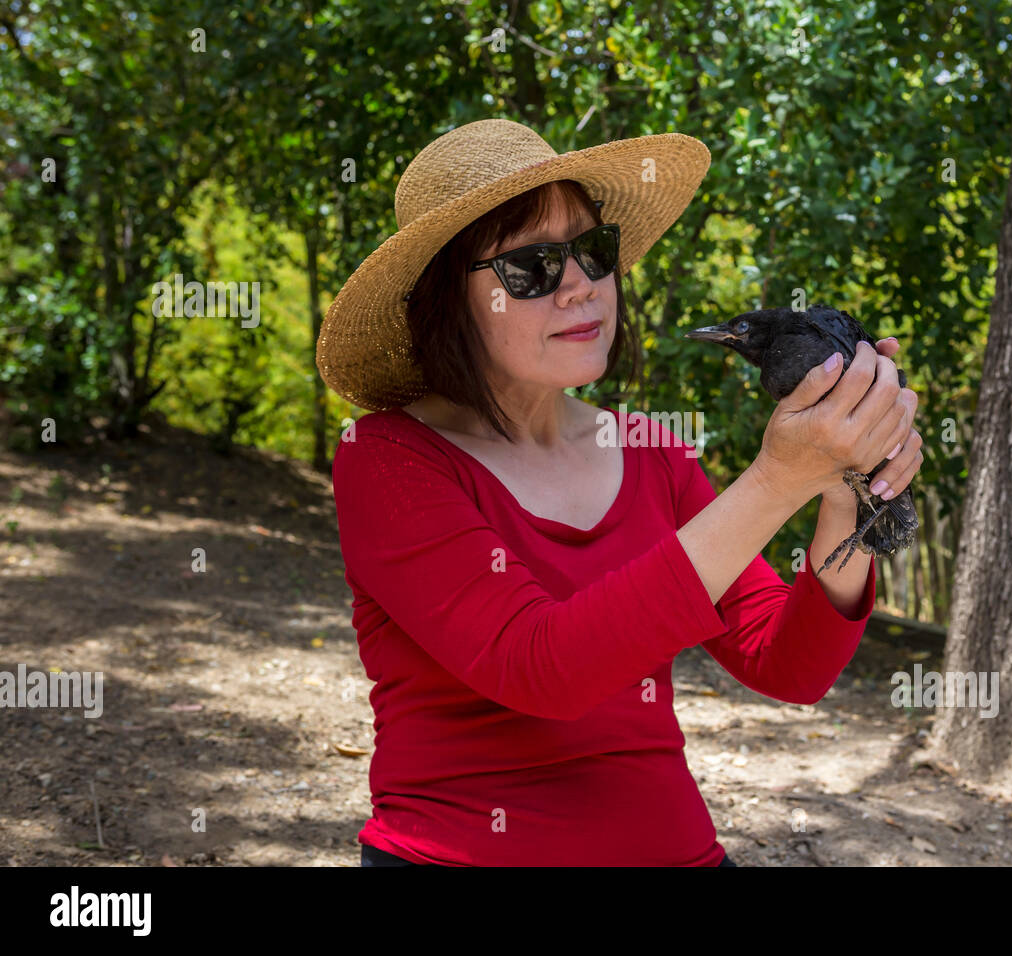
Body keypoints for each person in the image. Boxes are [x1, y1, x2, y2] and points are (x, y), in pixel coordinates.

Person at [317, 118, 923, 867]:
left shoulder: (651, 452)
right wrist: (777, 481)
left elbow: (785, 661)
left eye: (592, 252)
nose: (580, 285)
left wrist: (843, 490)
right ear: (451, 302)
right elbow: (542, 666)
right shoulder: (387, 458)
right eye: (532, 268)